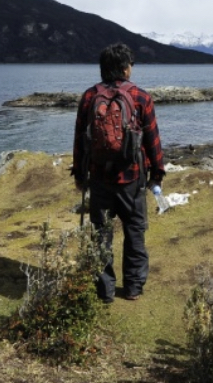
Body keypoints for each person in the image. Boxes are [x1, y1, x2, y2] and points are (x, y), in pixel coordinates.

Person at [72, 42, 165, 303]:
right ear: (125, 69)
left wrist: (79, 175)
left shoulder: (90, 97)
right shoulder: (141, 97)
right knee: (135, 231)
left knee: (101, 233)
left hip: (99, 177)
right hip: (132, 177)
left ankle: (105, 291)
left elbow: (80, 139)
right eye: (131, 65)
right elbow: (152, 139)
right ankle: (134, 288)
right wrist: (157, 174)